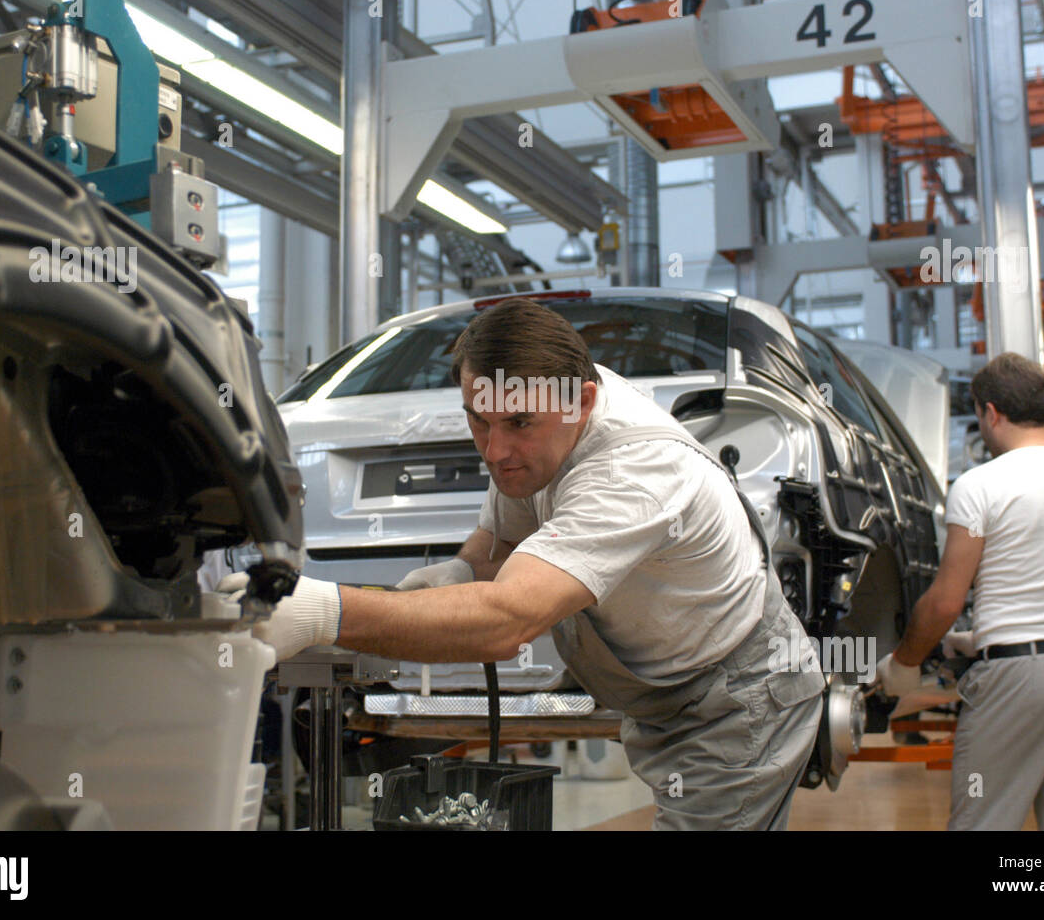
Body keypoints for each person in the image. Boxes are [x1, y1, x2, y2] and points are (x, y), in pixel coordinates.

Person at [222, 298, 825, 830]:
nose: (494, 449)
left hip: (738, 699)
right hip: (664, 690)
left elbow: (508, 621)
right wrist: (460, 572)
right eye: (476, 420)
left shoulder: (636, 471)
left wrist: (322, 610)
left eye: (517, 425)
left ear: (583, 401)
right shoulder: (541, 402)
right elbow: (502, 542)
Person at [875, 352, 1044, 830]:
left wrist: (903, 664)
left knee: (984, 821)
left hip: (1020, 680)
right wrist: (980, 637)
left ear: (990, 412)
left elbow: (945, 601)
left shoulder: (980, 484)